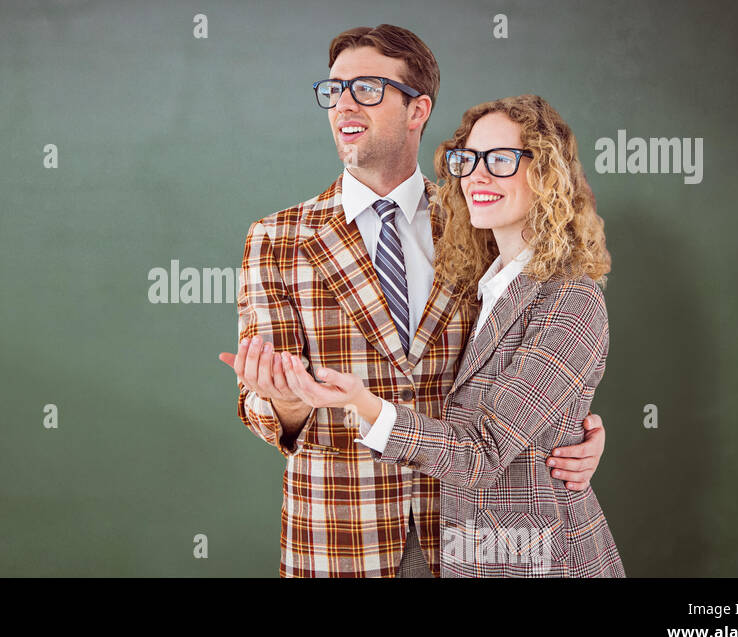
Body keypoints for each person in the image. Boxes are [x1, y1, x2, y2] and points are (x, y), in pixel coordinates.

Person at [218, 24, 608, 578]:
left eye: (366, 88)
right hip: (341, 534)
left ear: (417, 110)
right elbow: (261, 411)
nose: (344, 104)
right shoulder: (278, 239)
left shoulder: (478, 221)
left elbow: (533, 359)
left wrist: (575, 433)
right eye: (334, 89)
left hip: (475, 535)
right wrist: (286, 403)